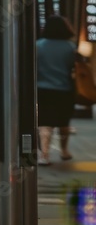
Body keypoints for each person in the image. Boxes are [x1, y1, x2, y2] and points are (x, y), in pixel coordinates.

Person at [36, 15, 77, 165]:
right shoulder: (70, 47)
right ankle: (64, 151)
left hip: (43, 89)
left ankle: (44, 155)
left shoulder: (39, 46)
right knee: (63, 121)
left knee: (45, 122)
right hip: (65, 89)